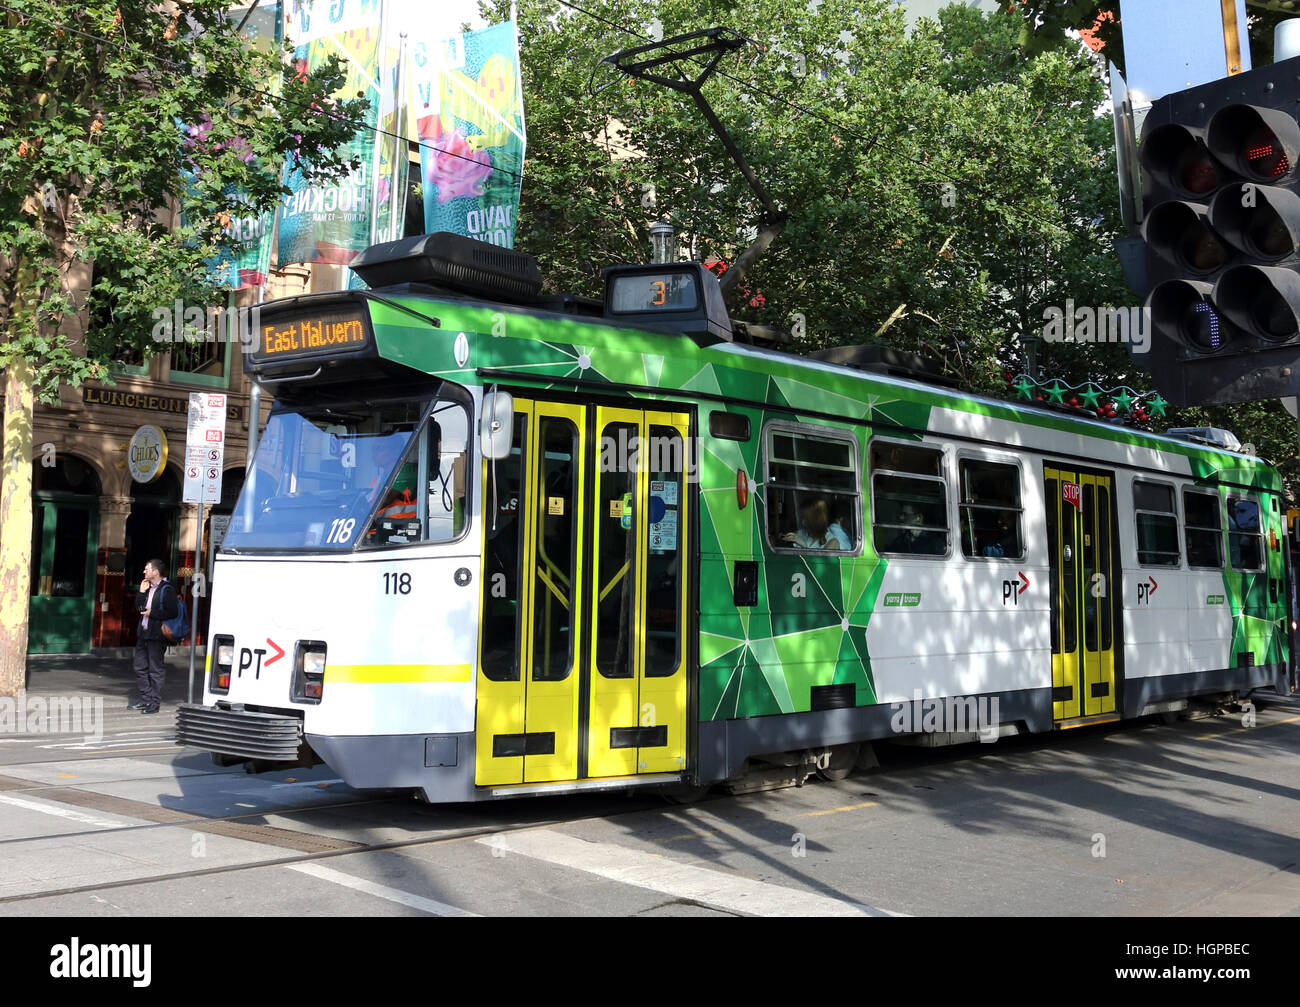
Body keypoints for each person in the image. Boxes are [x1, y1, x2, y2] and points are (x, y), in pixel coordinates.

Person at [131, 558, 178, 714]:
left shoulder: (167, 589)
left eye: (147, 569)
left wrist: (153, 613)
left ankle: (154, 702)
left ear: (155, 572)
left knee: (155, 669)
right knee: (139, 667)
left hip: (157, 635)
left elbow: (173, 612)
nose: (144, 571)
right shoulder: (148, 587)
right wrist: (141, 592)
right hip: (144, 633)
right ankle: (146, 699)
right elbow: (139, 608)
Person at [782, 498, 851, 550]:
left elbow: (819, 567)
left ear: (816, 521)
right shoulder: (800, 533)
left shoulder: (832, 542)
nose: (803, 523)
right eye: (802, 518)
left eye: (807, 520)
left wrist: (804, 545)